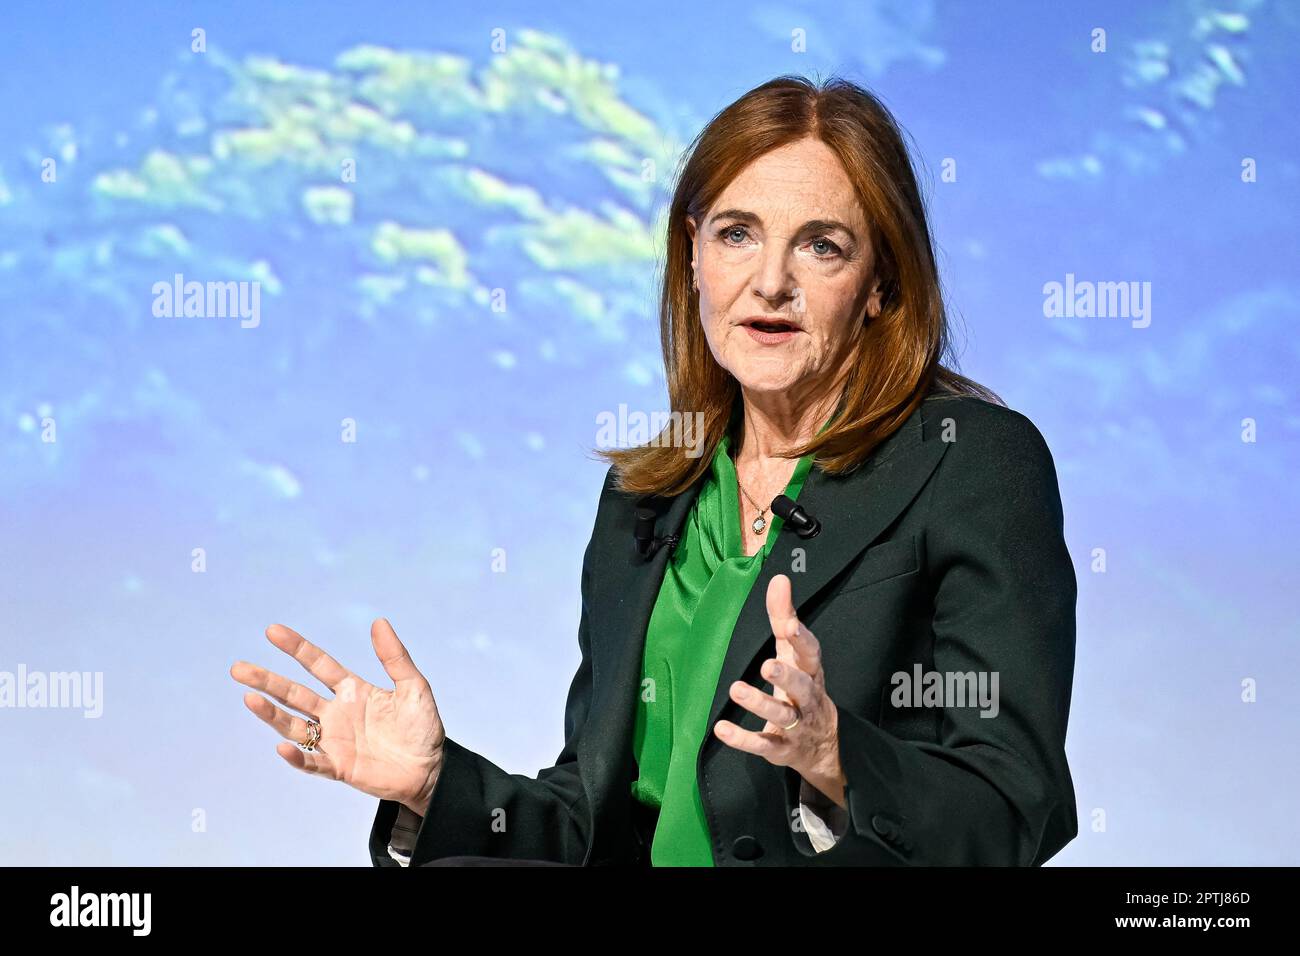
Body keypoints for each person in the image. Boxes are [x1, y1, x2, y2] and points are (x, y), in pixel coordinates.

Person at [231, 74, 1078, 866]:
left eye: (821, 246)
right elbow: (597, 820)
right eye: (737, 234)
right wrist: (434, 784)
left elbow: (1016, 804)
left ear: (880, 285)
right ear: (694, 255)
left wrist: (836, 758)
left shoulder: (972, 465)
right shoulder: (645, 497)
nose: (770, 282)